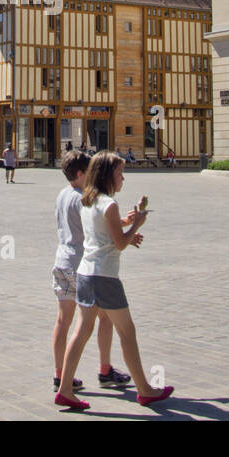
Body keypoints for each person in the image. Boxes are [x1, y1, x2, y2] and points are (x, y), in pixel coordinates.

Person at [54, 151, 172, 410]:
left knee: (82, 330)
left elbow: (104, 233)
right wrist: (137, 224)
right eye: (120, 173)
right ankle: (145, 389)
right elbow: (118, 243)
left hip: (85, 272)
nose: (123, 178)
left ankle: (64, 388)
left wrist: (127, 225)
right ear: (108, 175)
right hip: (105, 276)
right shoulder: (109, 203)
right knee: (127, 331)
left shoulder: (88, 200)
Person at [51, 150, 128, 395]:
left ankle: (60, 374)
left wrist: (123, 221)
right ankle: (105, 369)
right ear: (82, 173)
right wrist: (127, 225)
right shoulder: (83, 199)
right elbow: (98, 230)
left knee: (63, 321)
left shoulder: (63, 195)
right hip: (83, 265)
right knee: (103, 319)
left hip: (62, 261)